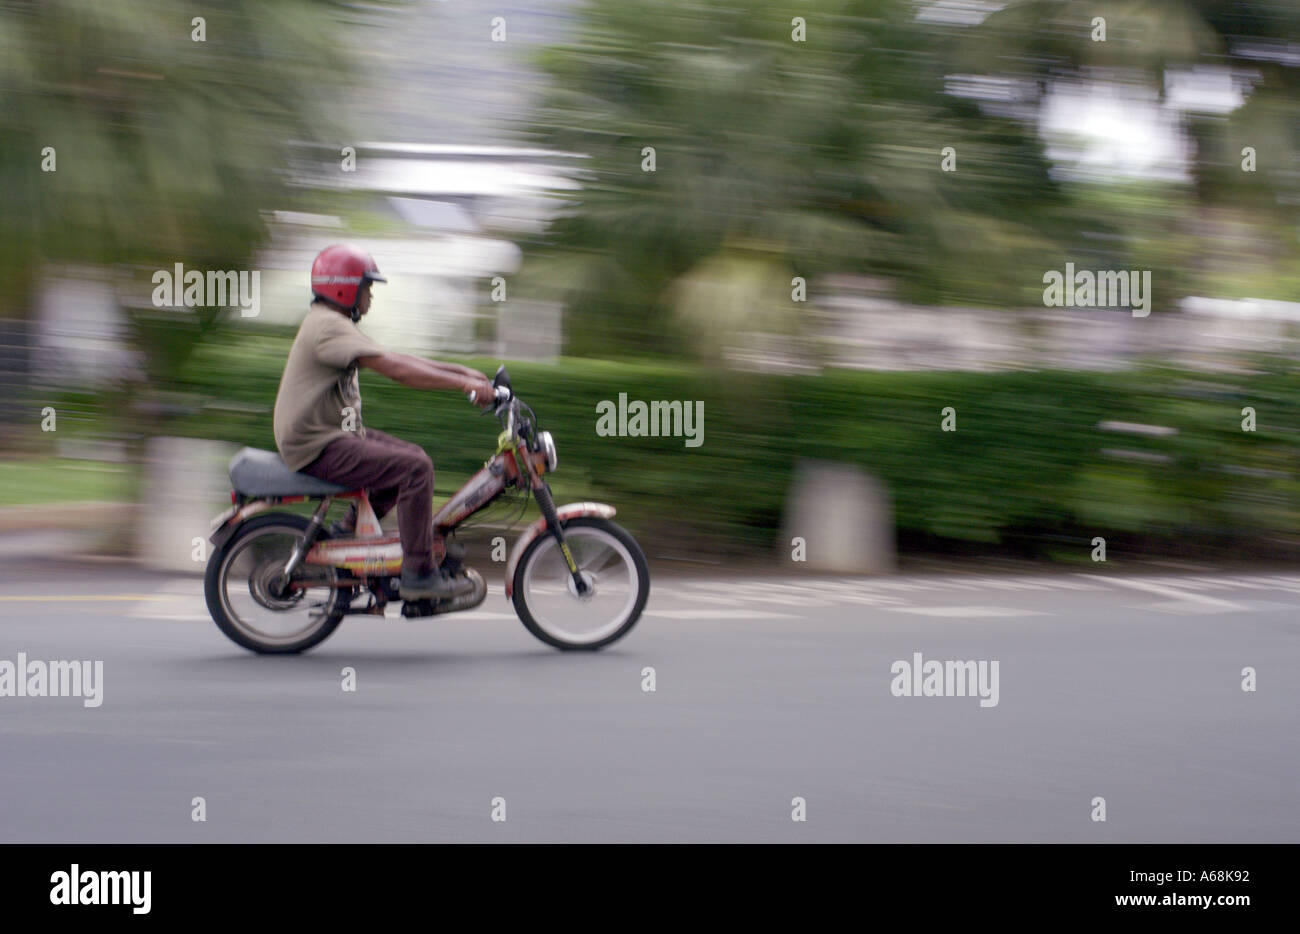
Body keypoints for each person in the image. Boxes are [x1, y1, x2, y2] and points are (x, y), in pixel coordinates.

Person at [272, 244, 494, 600]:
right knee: (415, 469)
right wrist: (463, 384)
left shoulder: (330, 321)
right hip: (316, 444)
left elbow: (392, 356)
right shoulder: (328, 326)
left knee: (410, 457)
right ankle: (419, 575)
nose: (370, 297)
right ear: (344, 287)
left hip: (329, 433)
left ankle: (348, 533)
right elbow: (397, 370)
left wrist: (461, 371)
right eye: (367, 287)